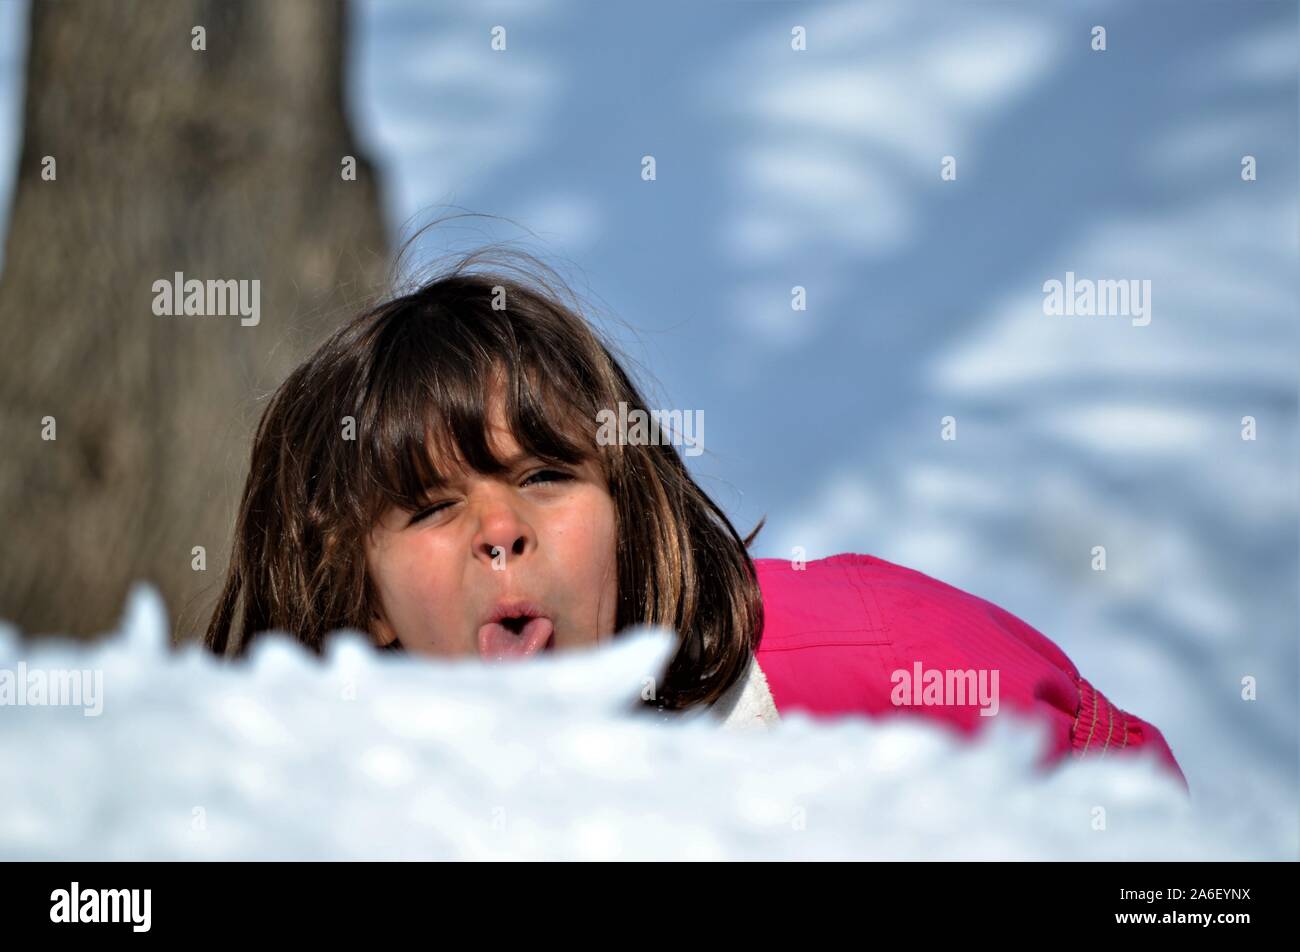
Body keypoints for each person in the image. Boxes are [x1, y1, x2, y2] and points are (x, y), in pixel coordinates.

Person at [204, 244, 1188, 793]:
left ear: (627, 508)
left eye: (546, 477)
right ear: (357, 586)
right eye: (432, 505)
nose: (500, 531)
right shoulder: (308, 802)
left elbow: (1151, 832)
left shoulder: (870, 663)